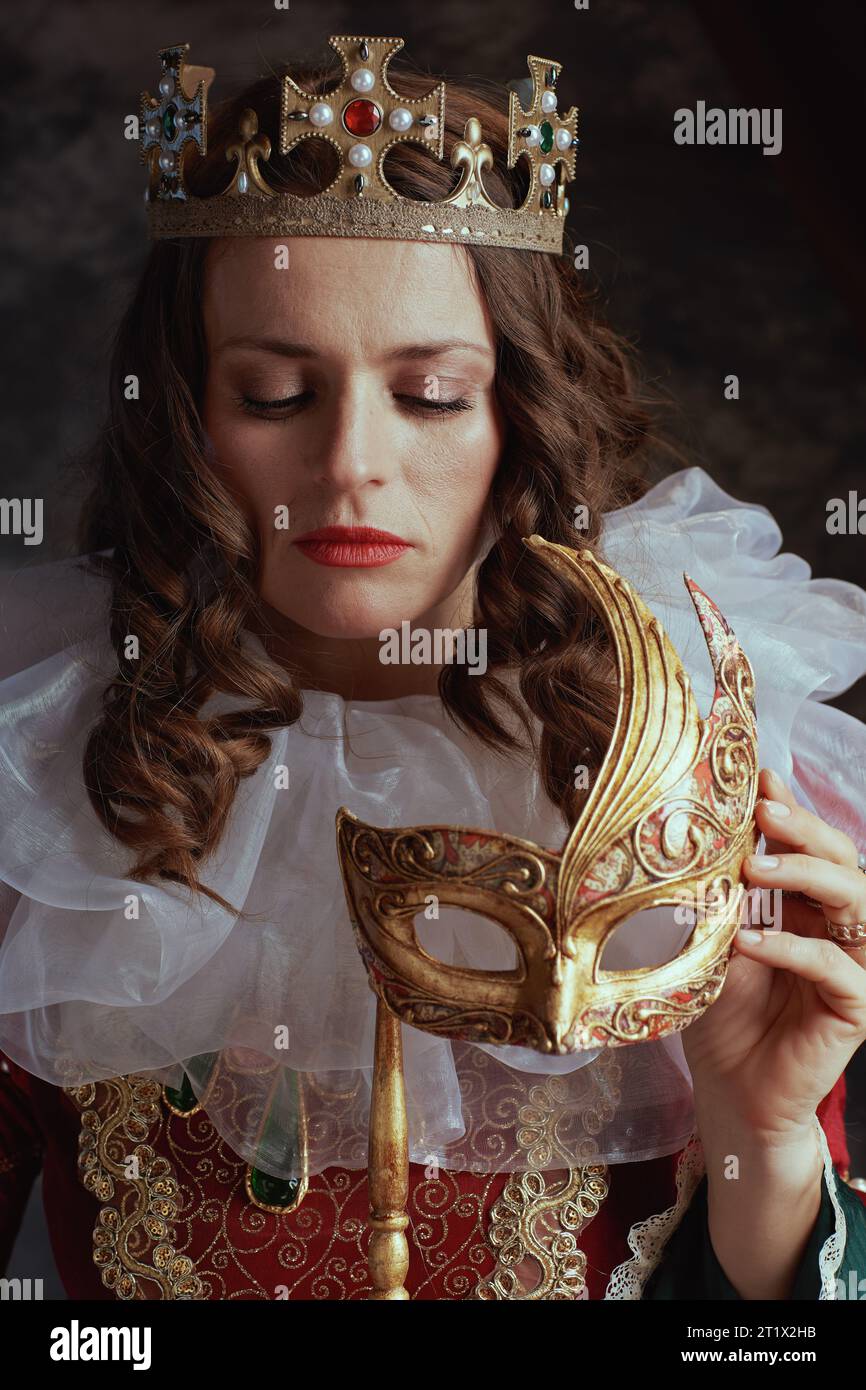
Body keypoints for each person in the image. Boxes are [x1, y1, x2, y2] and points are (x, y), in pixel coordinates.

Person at [1, 36, 866, 1302]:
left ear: (522, 408)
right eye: (280, 392)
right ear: (187, 412)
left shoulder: (710, 771)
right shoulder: (42, 798)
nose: (352, 463)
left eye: (431, 394)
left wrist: (764, 1142)